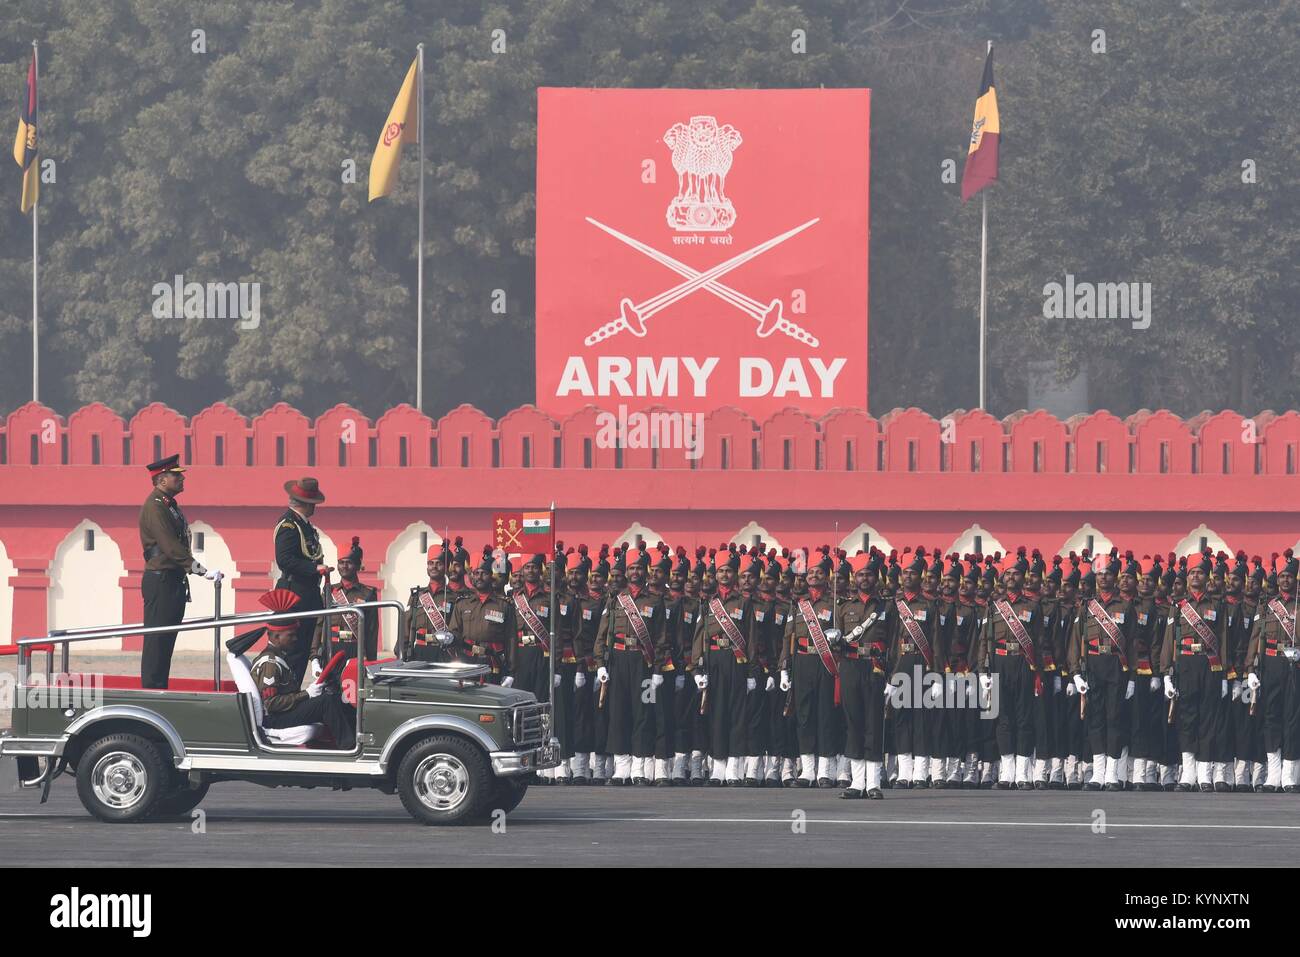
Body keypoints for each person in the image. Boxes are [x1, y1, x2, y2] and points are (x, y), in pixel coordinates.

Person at [138, 453, 223, 688]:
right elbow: (169, 545)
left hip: (172, 580)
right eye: (176, 476)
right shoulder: (155, 507)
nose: (182, 479)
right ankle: (152, 690)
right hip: (161, 580)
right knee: (157, 640)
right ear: (162, 479)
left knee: (166, 640)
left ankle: (159, 686)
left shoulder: (168, 505)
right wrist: (199, 569)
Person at [1160, 550, 1233, 792]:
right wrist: (1166, 673)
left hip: (1210, 665)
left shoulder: (1217, 604)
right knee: (1187, 718)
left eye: (1200, 572)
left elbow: (1222, 638)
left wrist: (1223, 674)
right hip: (1186, 665)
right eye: (1192, 573)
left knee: (1208, 718)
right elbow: (1169, 640)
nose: (1195, 577)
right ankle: (1188, 773)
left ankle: (1204, 773)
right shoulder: (1178, 606)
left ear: (1207, 576)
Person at [594, 553, 669, 785]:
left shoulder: (655, 601)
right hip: (617, 660)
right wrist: (600, 665)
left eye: (639, 568)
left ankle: (638, 768)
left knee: (643, 713)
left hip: (643, 662)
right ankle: (621, 769)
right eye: (631, 568)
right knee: (618, 713)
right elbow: (602, 635)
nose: (635, 572)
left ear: (645, 571)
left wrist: (657, 670)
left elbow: (662, 639)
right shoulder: (615, 600)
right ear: (626, 572)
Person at [251, 589, 356, 749]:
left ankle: (351, 736)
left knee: (333, 696)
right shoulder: (270, 663)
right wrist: (306, 694)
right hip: (276, 718)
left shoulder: (279, 657)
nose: (295, 639)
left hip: (284, 712)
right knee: (325, 702)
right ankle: (349, 747)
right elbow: (271, 704)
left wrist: (311, 690)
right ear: (276, 636)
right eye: (291, 635)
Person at [1068, 552, 1136, 791]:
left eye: (1107, 573)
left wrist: (1133, 678)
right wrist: (1075, 672)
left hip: (1117, 668)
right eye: (1099, 574)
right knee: (1095, 720)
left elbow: (1133, 644)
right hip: (1093, 667)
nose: (1103, 578)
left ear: (1115, 576)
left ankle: (1112, 775)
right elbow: (1076, 641)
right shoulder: (1087, 607)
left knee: (1114, 719)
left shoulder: (1126, 607)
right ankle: (1098, 773)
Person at [689, 558, 759, 786]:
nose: (725, 575)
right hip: (714, 662)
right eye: (721, 571)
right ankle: (718, 769)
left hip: (736, 661)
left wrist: (751, 672)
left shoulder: (744, 602)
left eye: (729, 571)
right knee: (717, 714)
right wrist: (697, 668)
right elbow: (699, 637)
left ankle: (734, 770)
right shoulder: (708, 603)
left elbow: (751, 638)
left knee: (737, 716)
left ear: (735, 574)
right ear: (715, 575)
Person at [779, 560, 842, 787]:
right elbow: (788, 637)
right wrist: (784, 669)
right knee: (804, 715)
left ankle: (825, 771)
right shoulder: (798, 604)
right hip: (802, 662)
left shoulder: (835, 603)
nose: (814, 576)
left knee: (825, 716)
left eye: (819, 572)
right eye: (811, 572)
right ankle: (807, 771)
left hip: (825, 662)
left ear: (827, 577)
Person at [836, 550, 889, 798]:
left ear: (875, 577)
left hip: (875, 668)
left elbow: (896, 642)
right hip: (850, 666)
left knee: (873, 723)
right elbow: (835, 641)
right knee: (853, 722)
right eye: (860, 574)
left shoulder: (887, 607)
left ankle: (874, 783)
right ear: (854, 578)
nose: (865, 578)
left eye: (869, 574)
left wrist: (893, 677)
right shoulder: (844, 606)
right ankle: (857, 782)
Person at [1245, 550, 1299, 792]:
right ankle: (1273, 774)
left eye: (1290, 576)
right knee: (1271, 717)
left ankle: (1289, 775)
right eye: (1282, 576)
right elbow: (1255, 637)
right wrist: (1251, 669)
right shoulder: (1267, 606)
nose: (1286, 580)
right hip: (1270, 665)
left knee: (1293, 719)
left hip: (1295, 666)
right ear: (1277, 579)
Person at [273, 477, 330, 687]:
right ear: (305, 503)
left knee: (303, 648)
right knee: (292, 649)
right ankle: (285, 695)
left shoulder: (304, 526)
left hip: (307, 594)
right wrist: (314, 568)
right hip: (294, 594)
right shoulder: (288, 525)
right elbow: (285, 560)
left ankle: (293, 691)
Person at [310, 536, 378, 671]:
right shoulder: (329, 591)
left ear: (358, 565)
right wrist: (314, 656)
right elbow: (319, 624)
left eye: (349, 562)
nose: (344, 566)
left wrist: (371, 660)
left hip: (355, 650)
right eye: (341, 562)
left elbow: (371, 630)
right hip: (331, 649)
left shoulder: (368, 593)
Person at [447, 556, 516, 682]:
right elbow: (454, 631)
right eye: (476, 573)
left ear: (492, 577)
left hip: (492, 662)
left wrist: (510, 672)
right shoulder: (462, 603)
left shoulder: (504, 605)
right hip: (466, 661)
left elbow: (511, 639)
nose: (479, 577)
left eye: (484, 574)